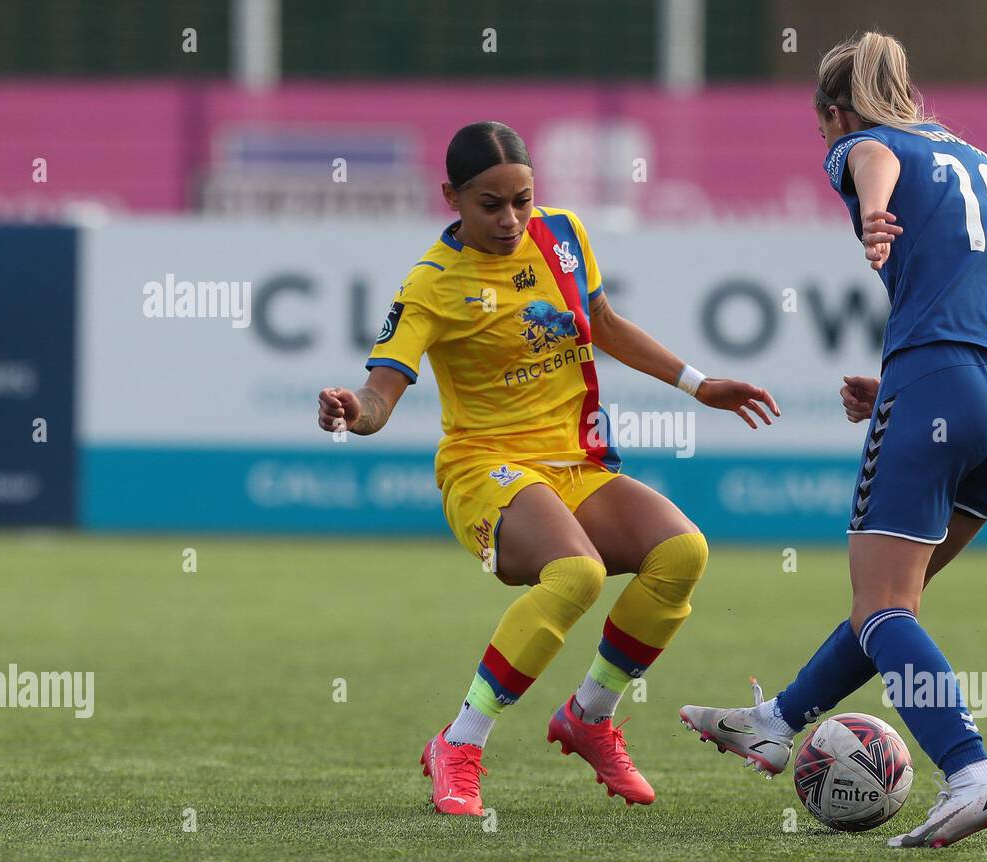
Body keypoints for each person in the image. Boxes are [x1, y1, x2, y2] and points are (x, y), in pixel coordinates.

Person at [318, 121, 780, 815]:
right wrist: (353, 410)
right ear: (451, 197)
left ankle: (589, 717)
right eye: (490, 204)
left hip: (575, 464)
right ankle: (460, 741)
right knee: (579, 574)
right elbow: (383, 392)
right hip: (485, 471)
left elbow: (605, 322)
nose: (510, 219)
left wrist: (698, 383)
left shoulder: (562, 233)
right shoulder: (431, 286)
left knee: (682, 552)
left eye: (521, 199)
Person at [680, 32, 987, 848]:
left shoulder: (865, 142)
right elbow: (981, 288)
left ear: (835, 112)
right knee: (892, 605)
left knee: (884, 606)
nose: (832, 149)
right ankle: (777, 721)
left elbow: (870, 154)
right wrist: (915, 388)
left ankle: (972, 772)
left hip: (942, 381)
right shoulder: (983, 162)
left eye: (825, 132)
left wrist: (874, 211)